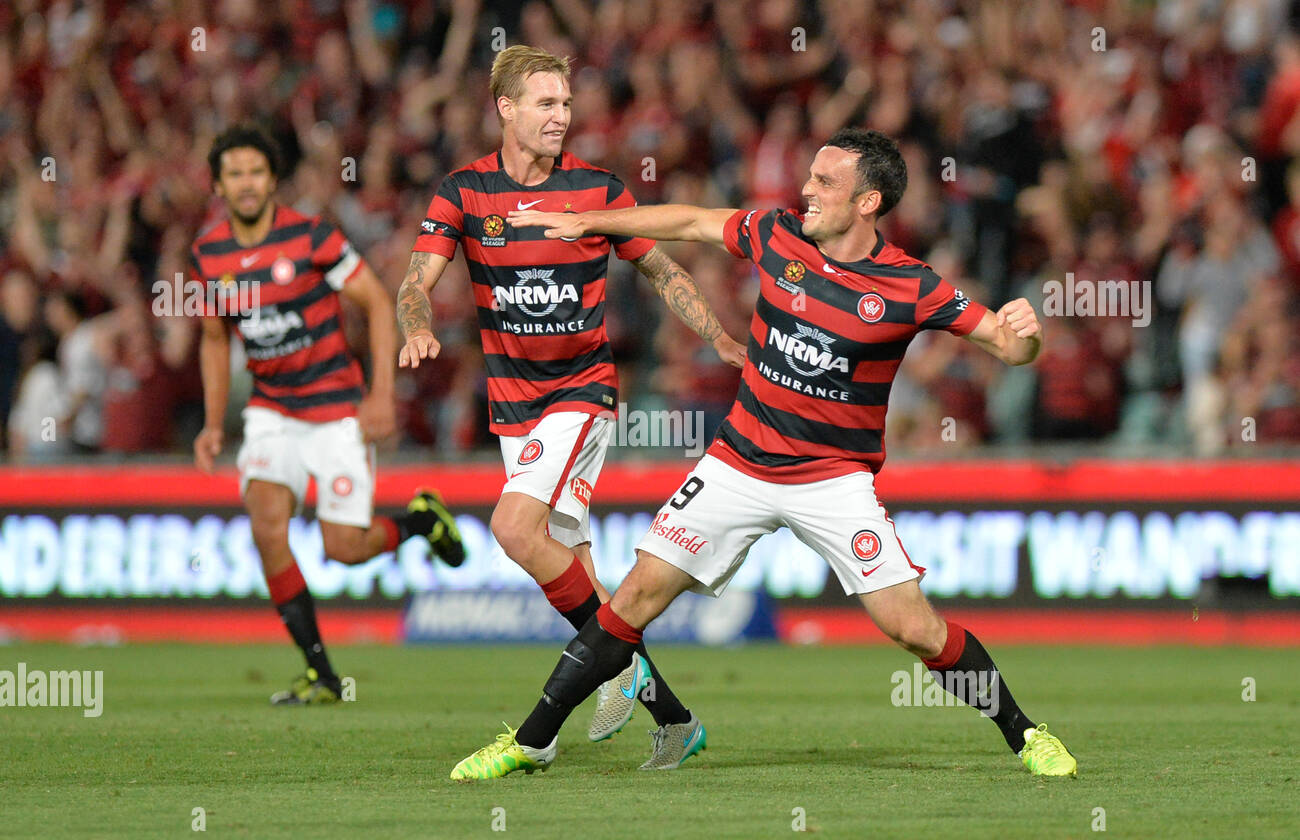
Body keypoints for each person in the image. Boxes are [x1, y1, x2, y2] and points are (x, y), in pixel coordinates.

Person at [452, 127, 1077, 779]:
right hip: (738, 462)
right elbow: (692, 221)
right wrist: (588, 220)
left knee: (913, 627)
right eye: (809, 175)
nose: (806, 188)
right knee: (632, 599)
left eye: (826, 181)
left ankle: (1028, 735)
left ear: (868, 202)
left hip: (833, 479)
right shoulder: (776, 235)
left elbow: (1008, 347)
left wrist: (1026, 336)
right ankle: (531, 740)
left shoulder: (908, 285)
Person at [397, 46, 746, 765]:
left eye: (566, 103)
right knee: (577, 573)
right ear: (506, 108)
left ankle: (541, 735)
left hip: (581, 392)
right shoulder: (463, 193)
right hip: (512, 408)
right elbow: (413, 279)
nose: (562, 116)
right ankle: (672, 717)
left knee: (513, 527)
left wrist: (717, 333)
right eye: (546, 104)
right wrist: (417, 324)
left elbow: (660, 266)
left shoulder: (598, 193)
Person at [191, 125, 465, 705]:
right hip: (271, 413)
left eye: (256, 171)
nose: (246, 182)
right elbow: (215, 341)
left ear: (272, 180)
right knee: (268, 529)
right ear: (219, 184)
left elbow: (376, 300)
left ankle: (420, 521)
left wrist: (381, 396)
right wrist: (215, 424)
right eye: (234, 172)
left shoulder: (312, 237)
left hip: (337, 408)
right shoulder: (209, 255)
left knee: (344, 548)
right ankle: (322, 675)